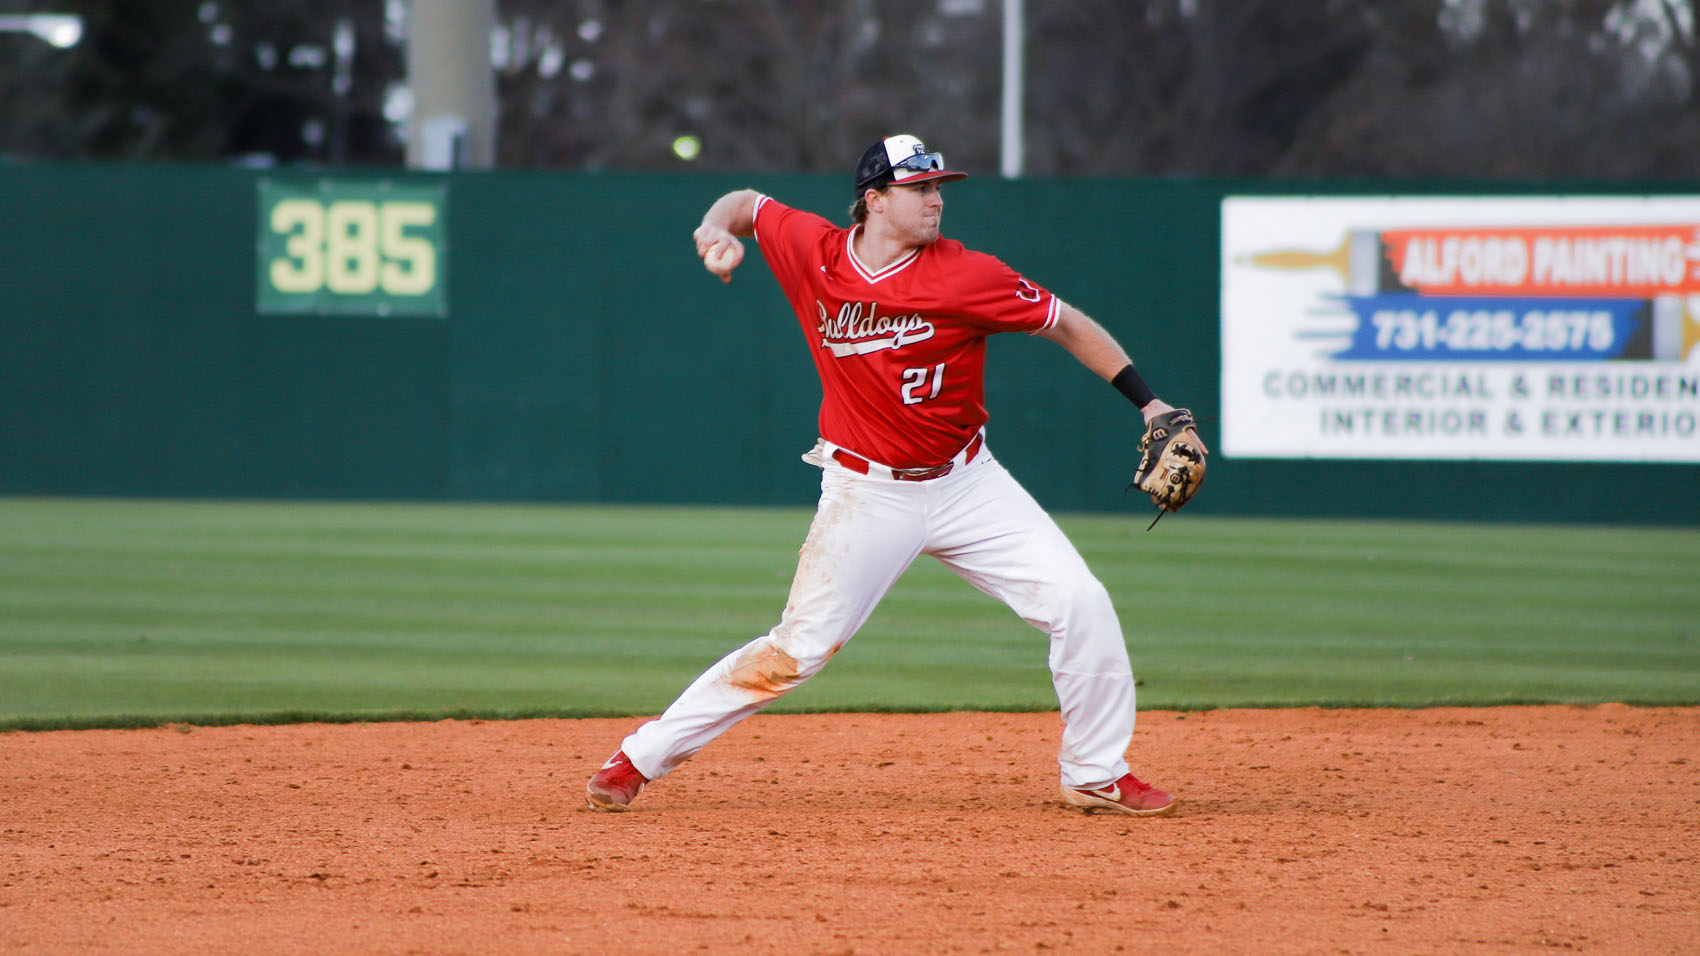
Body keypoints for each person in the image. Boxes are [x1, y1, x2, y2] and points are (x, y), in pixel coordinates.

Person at [587, 133, 1201, 817]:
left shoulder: (968, 274)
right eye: (919, 189)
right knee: (797, 650)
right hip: (866, 491)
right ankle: (638, 758)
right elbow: (744, 204)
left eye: (939, 187)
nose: (937, 200)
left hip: (969, 483)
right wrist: (711, 231)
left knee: (1080, 602)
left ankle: (1094, 772)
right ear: (874, 201)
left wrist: (1152, 404)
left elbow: (1065, 324)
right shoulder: (811, 249)